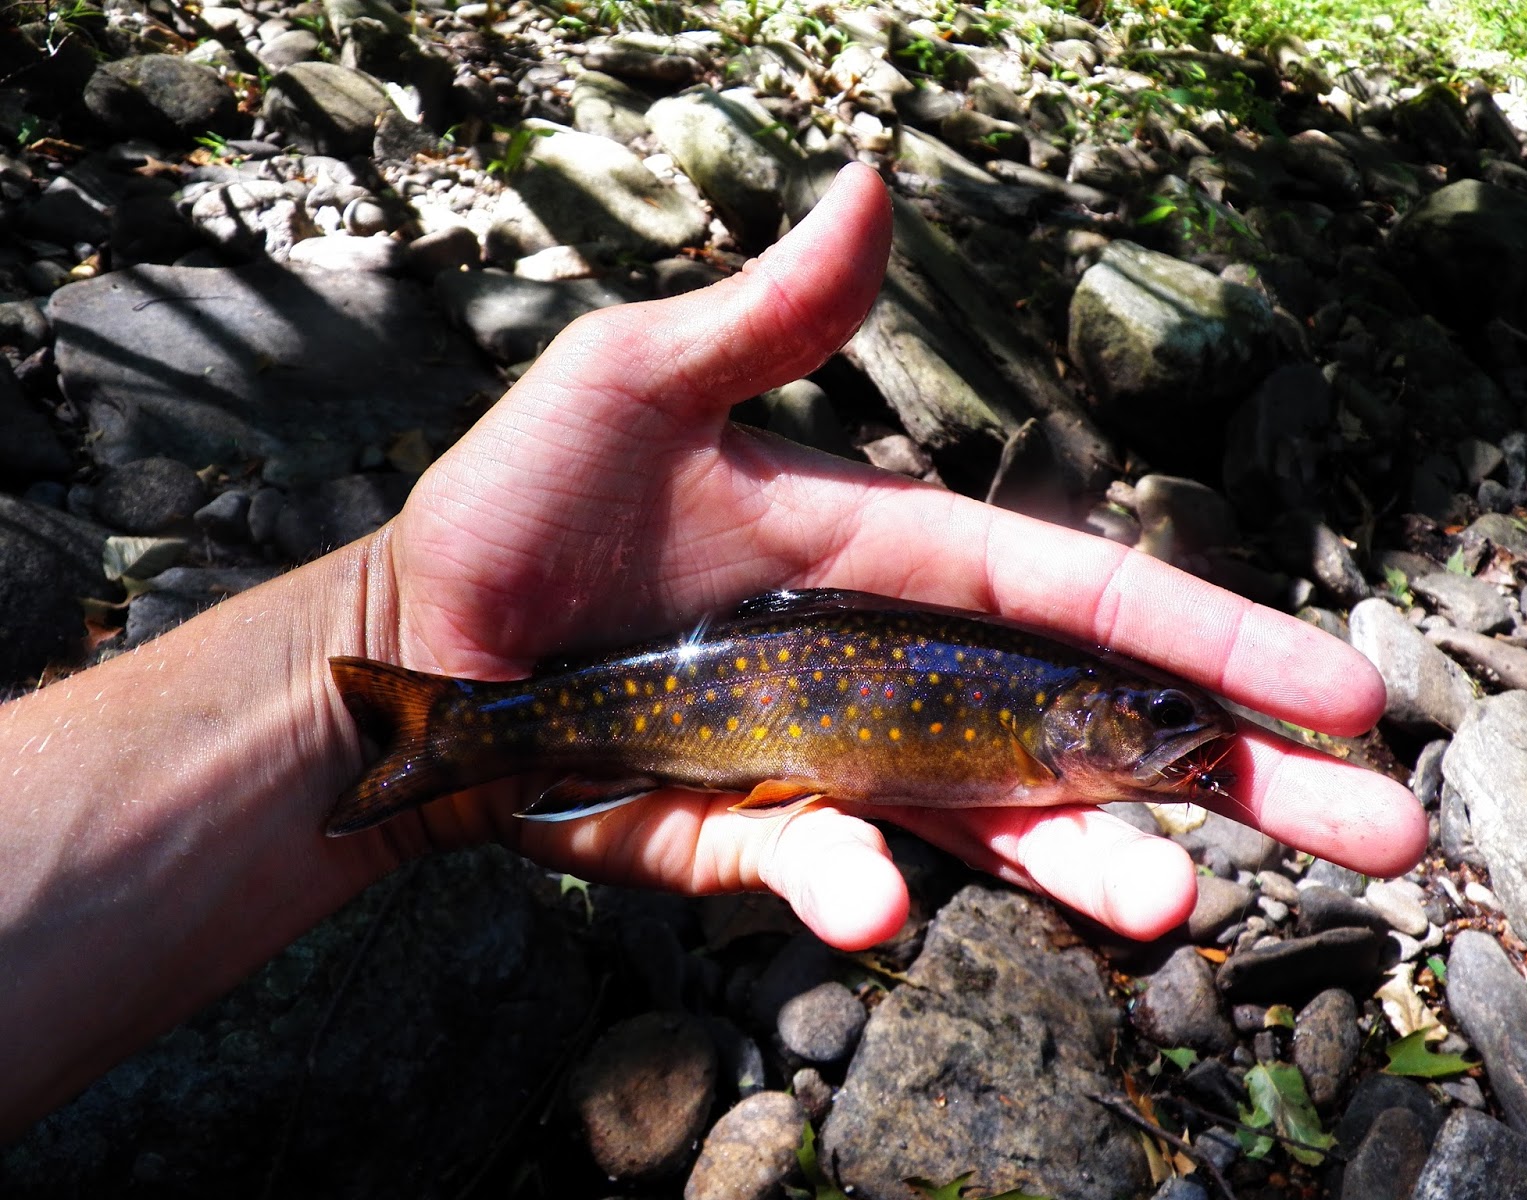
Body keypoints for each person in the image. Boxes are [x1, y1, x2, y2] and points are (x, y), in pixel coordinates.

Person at [0, 164, 1426, 1137]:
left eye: (1152, 730)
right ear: (1080, 712)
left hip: (706, 712)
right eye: (1147, 720)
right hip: (688, 706)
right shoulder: (1031, 715)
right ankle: (432, 729)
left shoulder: (1037, 725)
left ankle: (428, 730)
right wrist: (369, 636)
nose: (1167, 748)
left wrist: (354, 646)